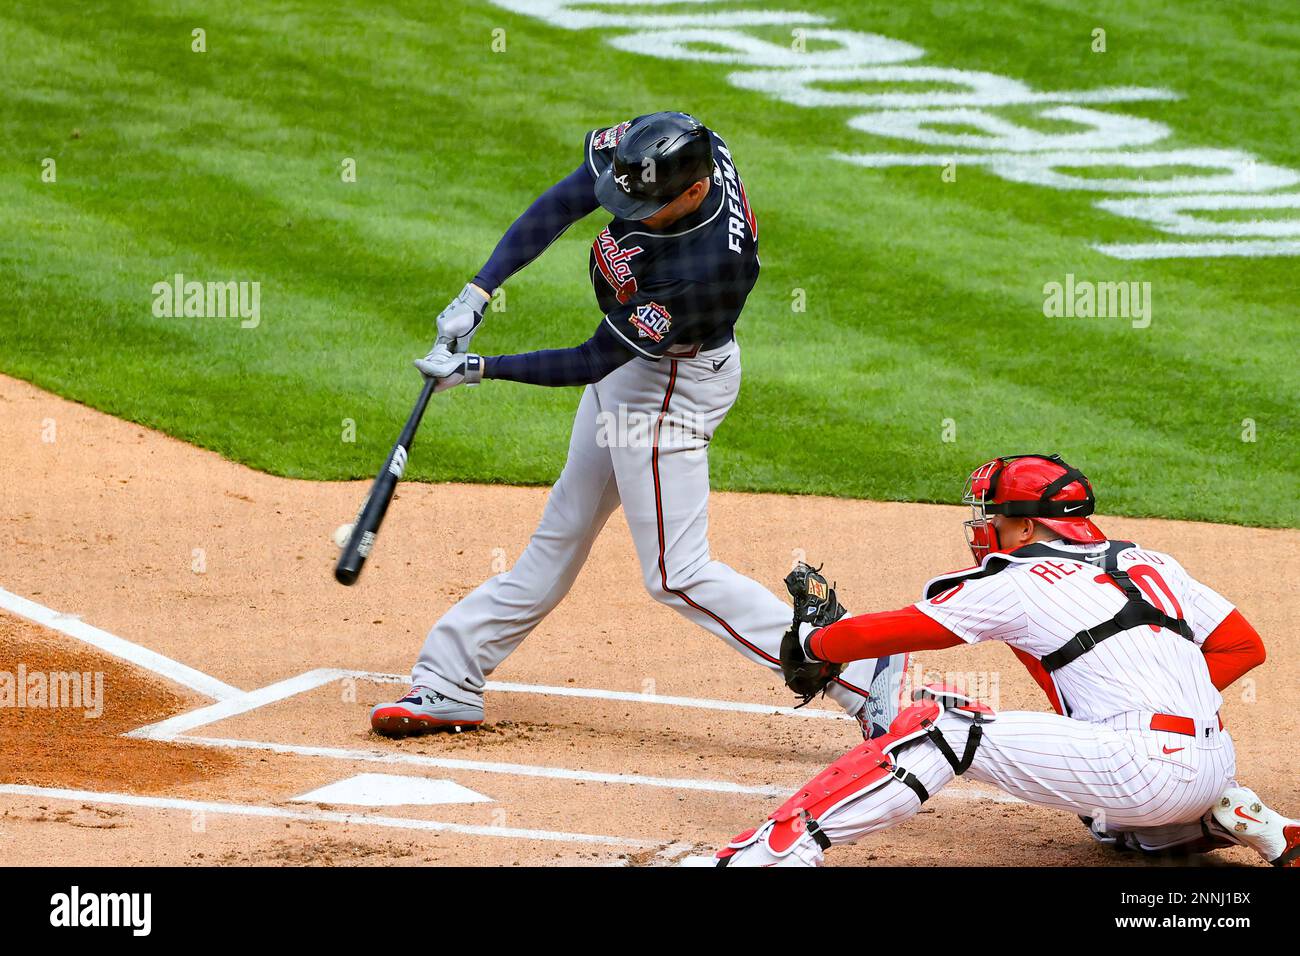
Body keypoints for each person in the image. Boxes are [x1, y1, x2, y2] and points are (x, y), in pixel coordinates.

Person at [370, 112, 906, 740]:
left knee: (677, 573)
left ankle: (862, 674)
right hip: (635, 370)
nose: (629, 212)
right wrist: (480, 290)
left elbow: (594, 359)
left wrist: (479, 368)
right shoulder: (666, 145)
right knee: (562, 533)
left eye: (646, 206)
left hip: (666, 387)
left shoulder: (707, 270)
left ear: (694, 192)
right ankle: (451, 677)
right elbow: (566, 200)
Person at [716, 453, 1297, 868]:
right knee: (1103, 814)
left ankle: (772, 855)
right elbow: (1244, 646)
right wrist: (1157, 705)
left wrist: (818, 646)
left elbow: (910, 627)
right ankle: (1238, 816)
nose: (985, 525)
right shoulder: (1153, 561)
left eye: (993, 514)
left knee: (944, 726)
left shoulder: (1021, 578)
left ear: (1027, 524)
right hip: (1213, 763)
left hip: (1144, 772)